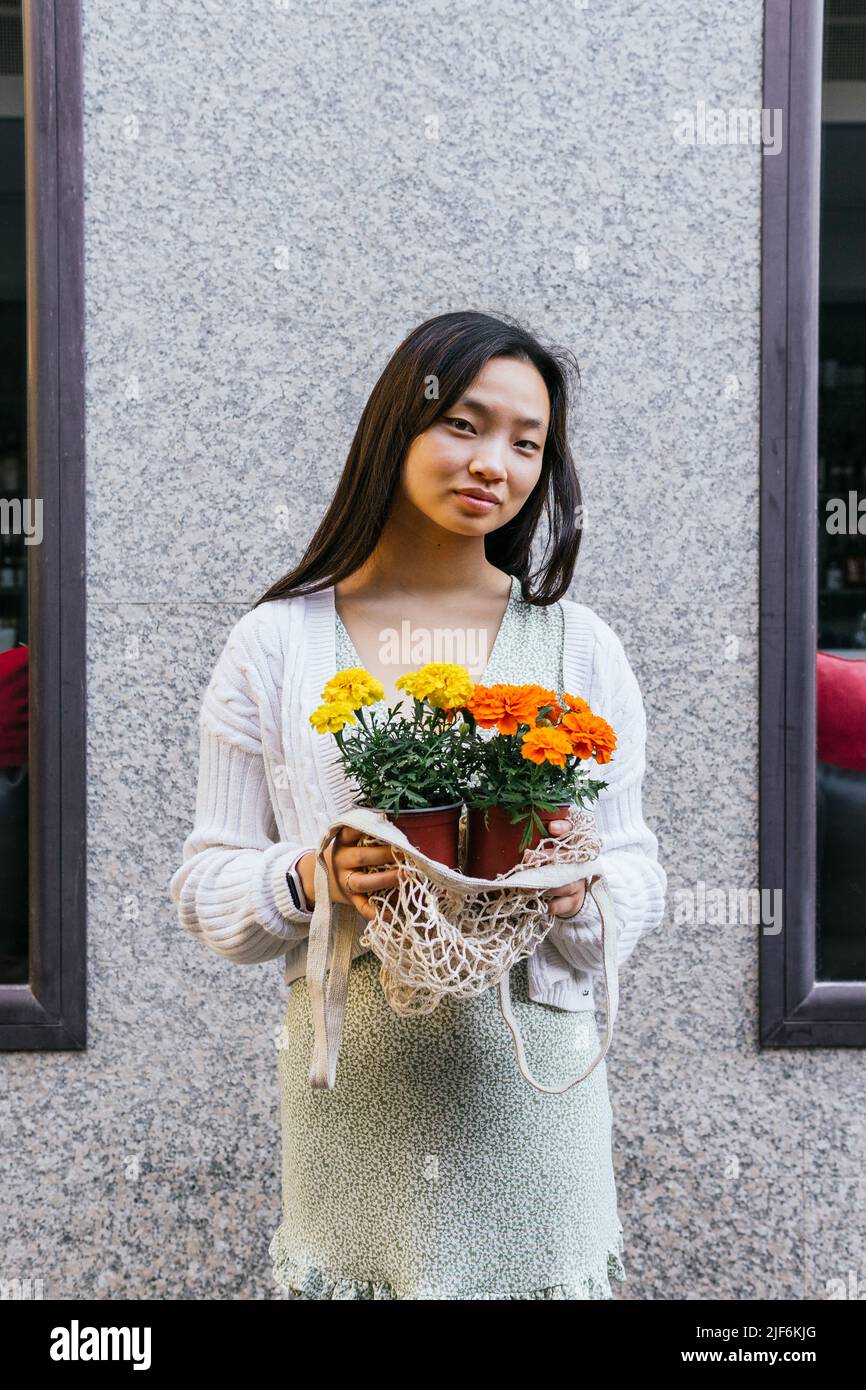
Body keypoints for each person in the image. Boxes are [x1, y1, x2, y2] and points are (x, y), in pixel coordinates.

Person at [169, 309, 666, 1299]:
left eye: (528, 444)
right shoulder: (275, 647)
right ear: (397, 426)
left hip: (531, 1099)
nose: (496, 463)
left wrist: (582, 893)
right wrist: (310, 877)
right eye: (465, 425)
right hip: (357, 1103)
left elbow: (636, 867)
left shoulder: (578, 648)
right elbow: (206, 883)